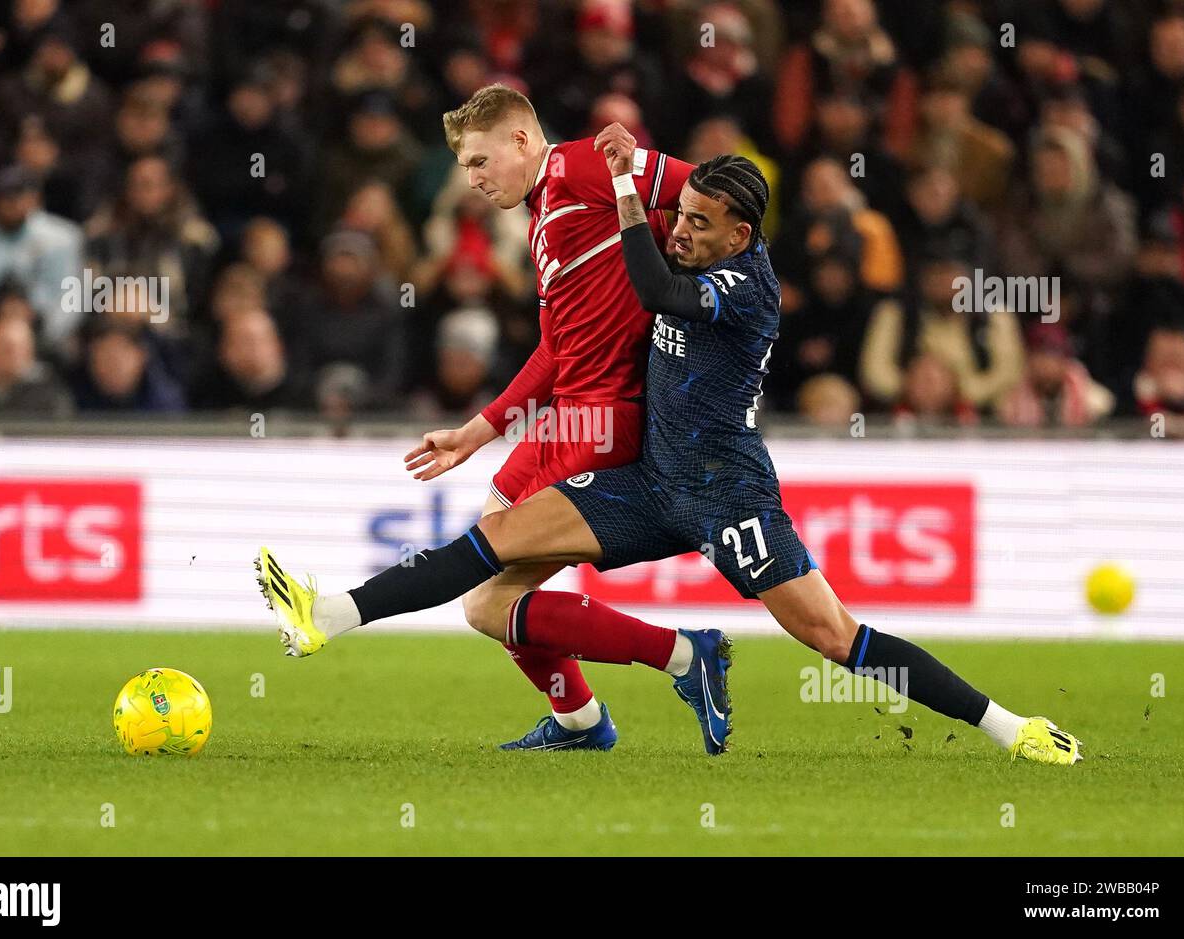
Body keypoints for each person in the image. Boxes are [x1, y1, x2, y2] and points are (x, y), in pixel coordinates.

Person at [256, 143, 1083, 767]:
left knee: (834, 638)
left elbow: (659, 292)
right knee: (488, 552)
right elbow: (630, 280)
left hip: (728, 495)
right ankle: (332, 615)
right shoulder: (698, 243)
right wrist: (634, 165)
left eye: (696, 222)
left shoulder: (749, 286)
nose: (678, 229)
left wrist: (624, 187)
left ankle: (1013, 729)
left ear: (740, 233)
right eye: (676, 213)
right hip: (648, 483)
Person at [384, 85, 692, 750]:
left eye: (477, 161)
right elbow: (554, 350)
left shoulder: (582, 165)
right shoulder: (542, 213)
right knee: (491, 600)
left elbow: (705, 190)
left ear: (522, 141)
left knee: (487, 599)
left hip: (605, 418)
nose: (471, 180)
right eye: (465, 167)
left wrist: (700, 274)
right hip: (561, 419)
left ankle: (681, 658)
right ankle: (581, 718)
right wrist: (477, 432)